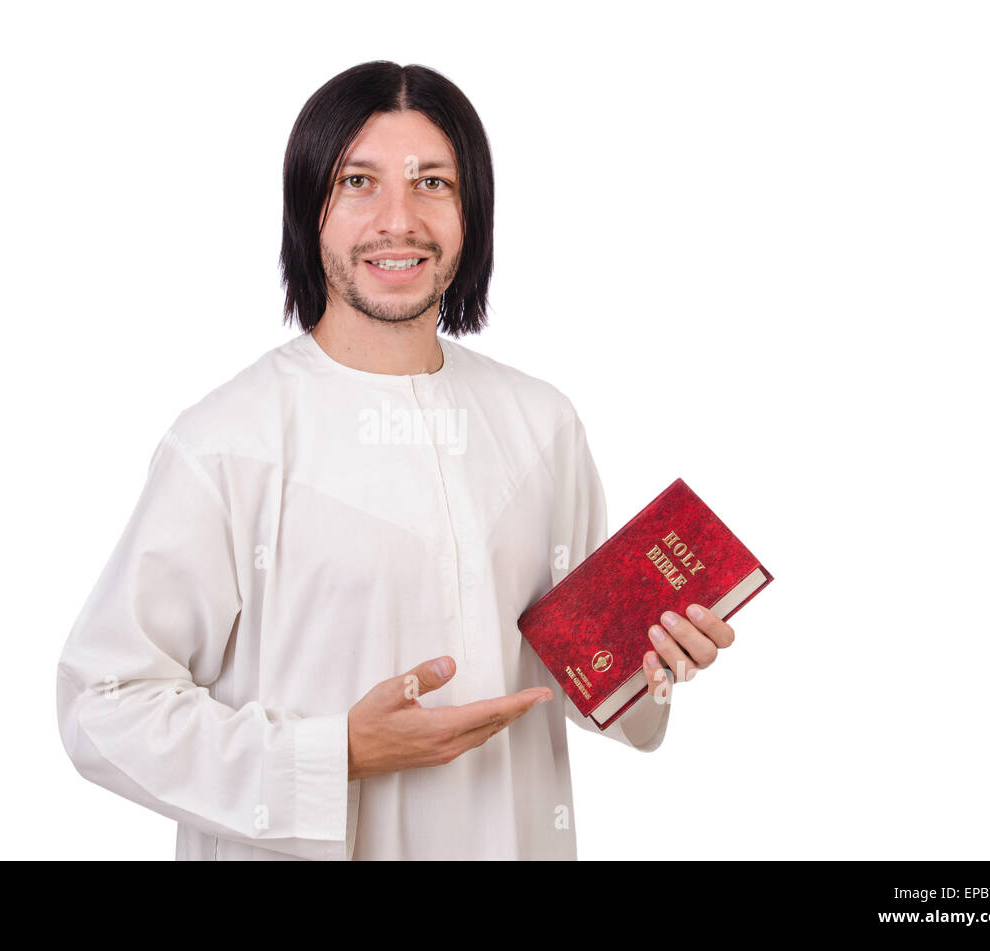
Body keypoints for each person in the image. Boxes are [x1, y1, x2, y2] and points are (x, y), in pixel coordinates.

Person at [55, 60, 736, 860]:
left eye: (433, 183)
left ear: (471, 211)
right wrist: (334, 753)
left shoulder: (541, 424)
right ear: (310, 209)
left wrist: (647, 663)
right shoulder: (226, 441)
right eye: (357, 182)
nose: (397, 219)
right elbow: (103, 701)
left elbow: (577, 678)